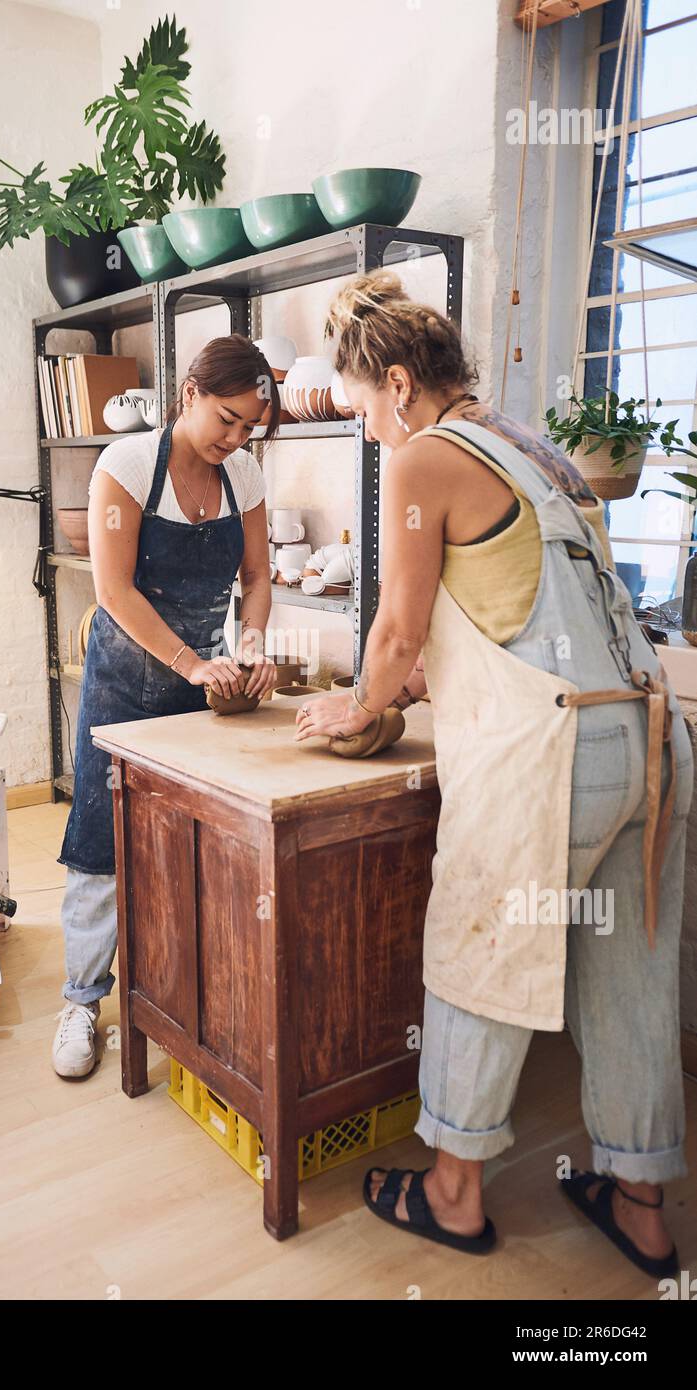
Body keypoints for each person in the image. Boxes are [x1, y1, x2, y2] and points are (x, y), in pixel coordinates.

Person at [295, 270, 694, 1279]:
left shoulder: (425, 457)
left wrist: (361, 703)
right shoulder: (535, 448)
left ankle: (455, 1192)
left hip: (553, 759)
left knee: (478, 950)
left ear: (395, 384)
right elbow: (524, 615)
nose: (371, 436)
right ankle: (642, 1202)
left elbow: (392, 628)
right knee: (631, 974)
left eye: (362, 414)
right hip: (649, 743)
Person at [53, 334, 282, 1077]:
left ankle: (177, 999)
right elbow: (113, 591)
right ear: (187, 395)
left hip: (196, 695)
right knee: (100, 841)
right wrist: (189, 659)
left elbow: (256, 575)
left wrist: (248, 645)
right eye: (226, 418)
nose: (236, 437)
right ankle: (81, 1003)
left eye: (250, 426)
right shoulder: (125, 466)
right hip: (123, 685)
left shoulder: (242, 473)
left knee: (179, 844)